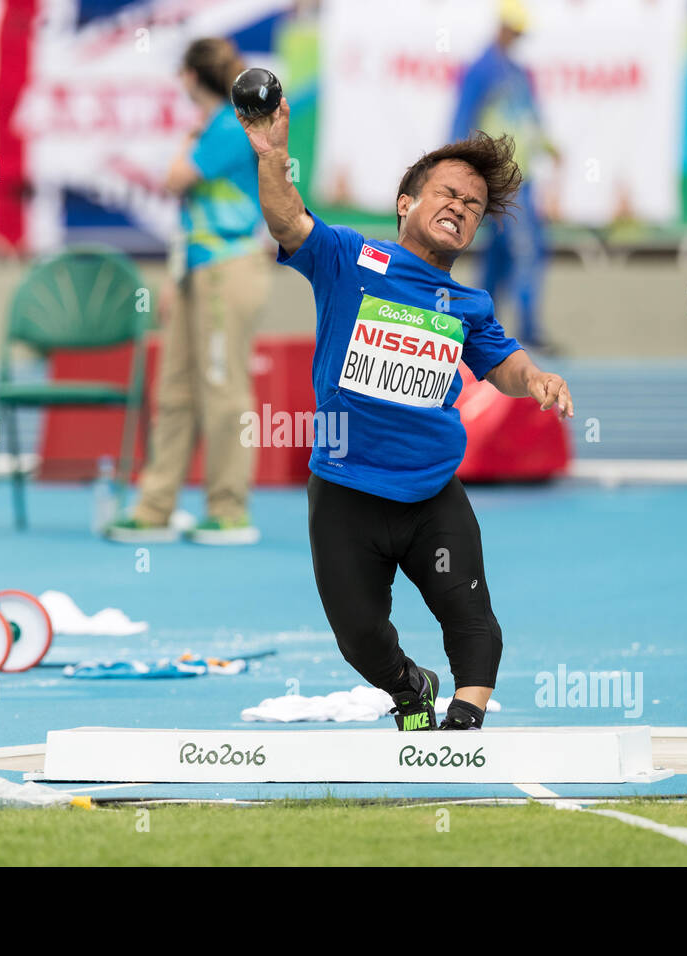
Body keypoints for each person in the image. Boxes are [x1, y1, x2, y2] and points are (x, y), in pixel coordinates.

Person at [237, 100, 574, 731]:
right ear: (405, 204)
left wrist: (537, 379)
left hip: (429, 494)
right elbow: (287, 219)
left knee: (471, 619)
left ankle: (463, 727)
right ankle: (411, 688)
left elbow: (503, 363)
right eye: (448, 193)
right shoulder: (346, 260)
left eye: (473, 207)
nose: (460, 209)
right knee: (361, 638)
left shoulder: (467, 303)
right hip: (345, 489)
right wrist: (271, 157)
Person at [106, 38, 273, 546]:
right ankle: (156, 507)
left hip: (229, 267)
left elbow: (175, 180)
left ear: (188, 78)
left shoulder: (226, 123)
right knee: (174, 389)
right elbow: (187, 213)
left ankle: (228, 510)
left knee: (223, 389)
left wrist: (186, 139)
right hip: (197, 268)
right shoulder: (211, 125)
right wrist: (174, 277)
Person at [451, 0, 559, 352]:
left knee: (498, 253)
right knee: (527, 251)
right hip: (502, 180)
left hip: (516, 177)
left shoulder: (515, 71)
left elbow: (529, 121)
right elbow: (462, 121)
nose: (516, 37)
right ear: (502, 27)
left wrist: (549, 147)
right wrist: (460, 168)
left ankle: (477, 329)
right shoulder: (483, 70)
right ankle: (527, 329)